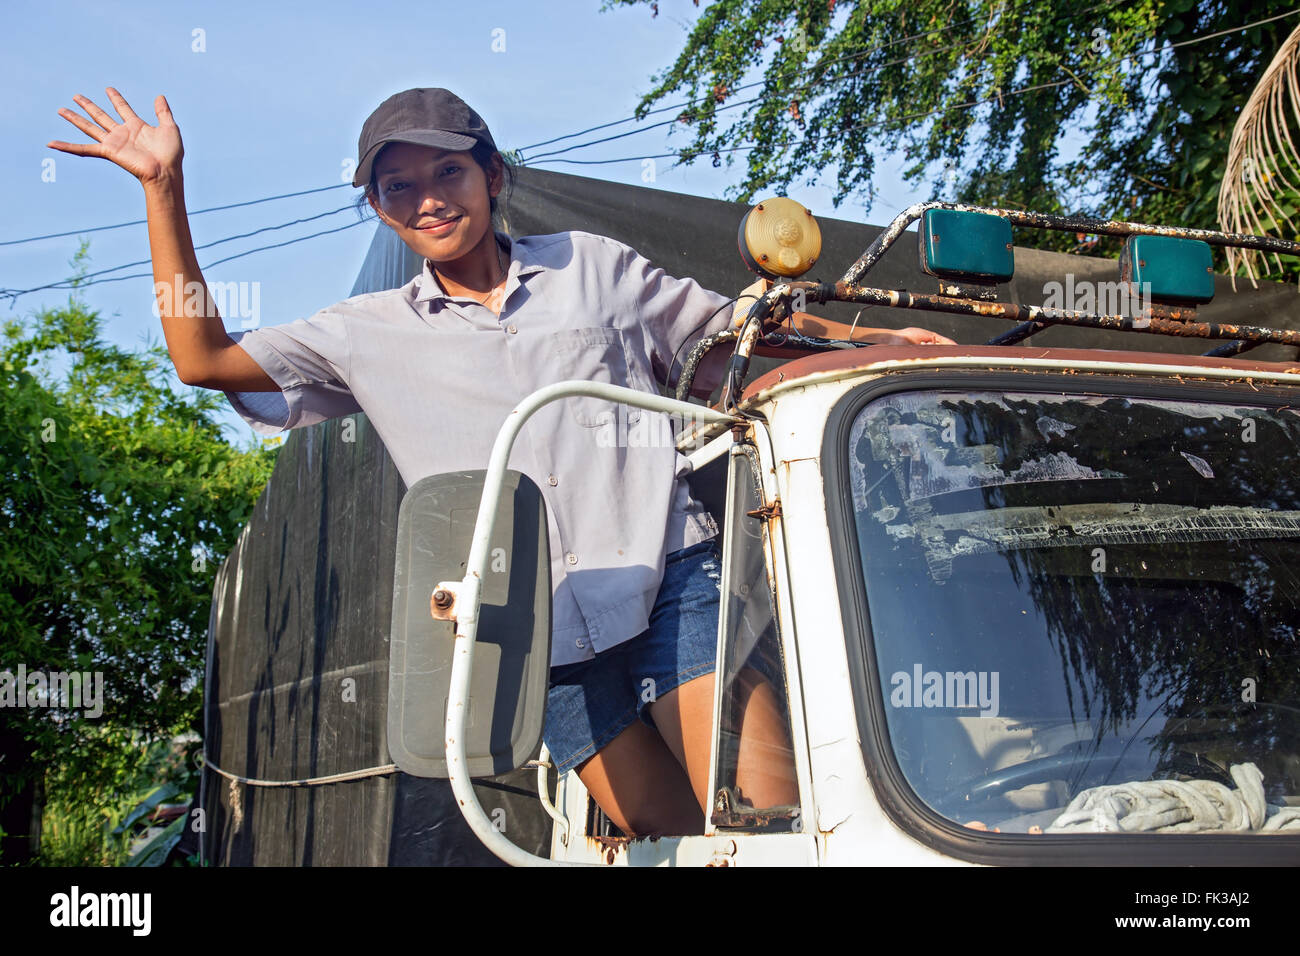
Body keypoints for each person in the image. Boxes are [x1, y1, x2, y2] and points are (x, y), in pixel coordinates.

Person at [49, 86, 954, 838]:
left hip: (671, 579)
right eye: (398, 186)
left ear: (492, 175)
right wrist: (163, 189)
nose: (428, 197)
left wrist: (874, 339)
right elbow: (203, 361)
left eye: (448, 170)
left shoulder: (593, 268)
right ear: (378, 207)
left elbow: (739, 334)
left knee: (771, 821)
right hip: (534, 636)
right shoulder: (363, 335)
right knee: (670, 846)